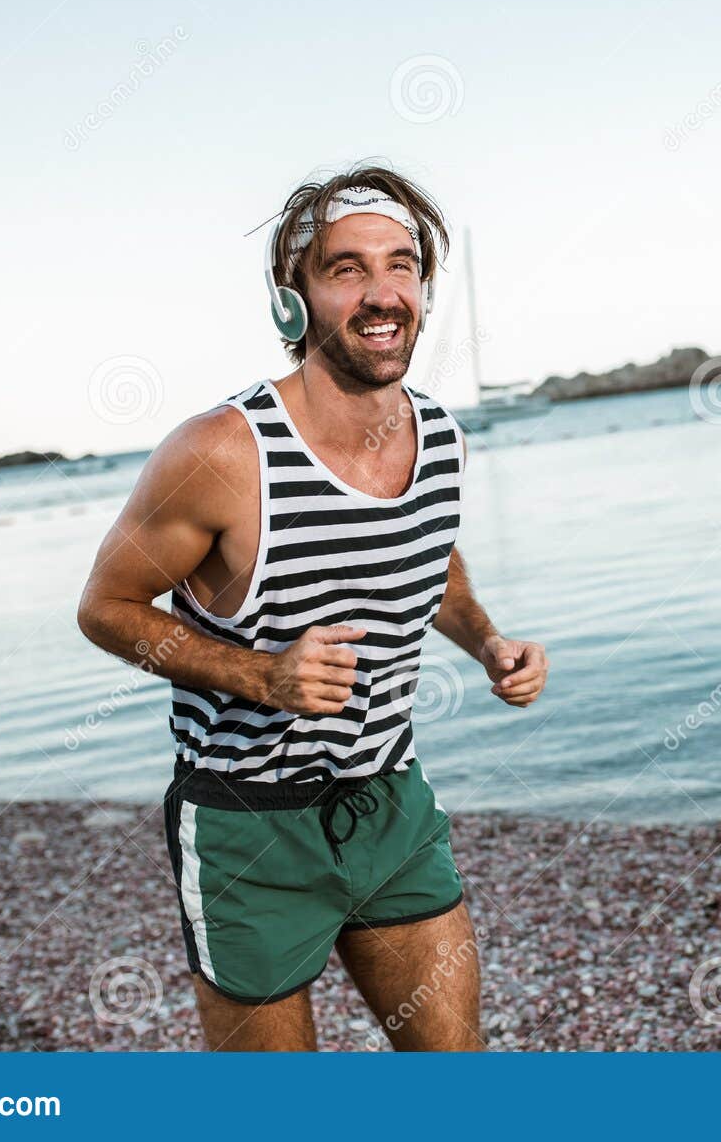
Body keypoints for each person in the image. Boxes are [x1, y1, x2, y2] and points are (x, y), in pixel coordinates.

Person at [76, 163, 548, 1050]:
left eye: (402, 265)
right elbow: (106, 608)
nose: (384, 294)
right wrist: (261, 676)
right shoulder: (221, 452)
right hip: (246, 827)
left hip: (392, 803)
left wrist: (486, 642)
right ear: (291, 301)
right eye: (347, 269)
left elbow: (429, 556)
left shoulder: (440, 435)